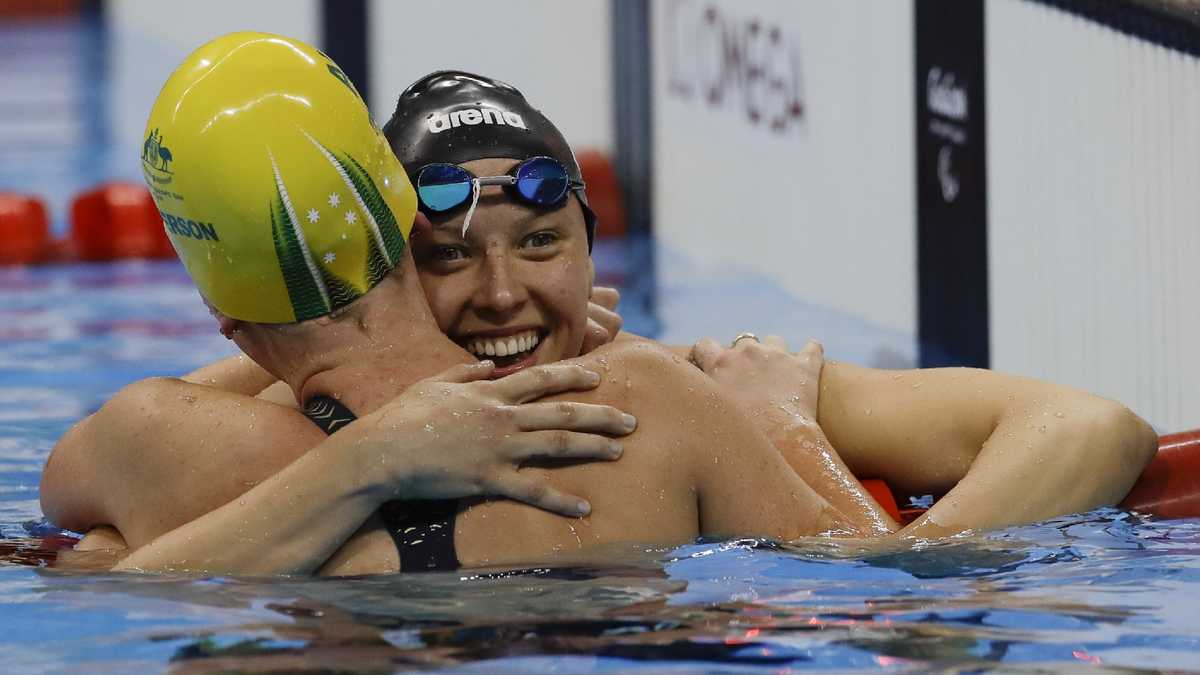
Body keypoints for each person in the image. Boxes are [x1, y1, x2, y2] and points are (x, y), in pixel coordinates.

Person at [43, 39, 1158, 574]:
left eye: (541, 244)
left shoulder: (698, 379)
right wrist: (780, 439)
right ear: (395, 249)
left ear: (594, 252)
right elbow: (878, 599)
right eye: (450, 258)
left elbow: (1091, 428)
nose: (500, 293)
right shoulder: (670, 409)